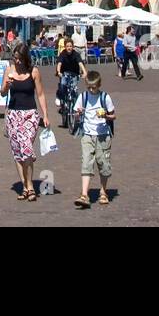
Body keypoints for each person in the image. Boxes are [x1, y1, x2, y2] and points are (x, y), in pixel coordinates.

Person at [0, 45, 49, 201]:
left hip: (30, 115)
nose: (17, 61)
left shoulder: (33, 71)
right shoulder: (9, 71)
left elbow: (40, 94)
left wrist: (45, 115)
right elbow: (2, 92)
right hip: (13, 114)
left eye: (20, 58)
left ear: (26, 57)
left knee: (26, 147)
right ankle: (26, 187)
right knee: (18, 152)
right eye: (15, 57)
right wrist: (7, 86)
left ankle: (30, 186)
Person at [72, 70, 115, 208]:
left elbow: (113, 115)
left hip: (103, 135)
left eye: (94, 87)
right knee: (86, 161)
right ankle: (84, 195)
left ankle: (103, 191)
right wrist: (78, 113)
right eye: (89, 87)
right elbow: (76, 115)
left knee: (103, 163)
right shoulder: (83, 97)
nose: (91, 90)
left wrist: (105, 116)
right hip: (87, 134)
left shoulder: (105, 97)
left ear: (99, 84)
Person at [55, 37, 83, 122]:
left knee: (74, 90)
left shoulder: (76, 54)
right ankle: (60, 99)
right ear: (65, 47)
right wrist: (59, 71)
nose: (69, 48)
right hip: (64, 73)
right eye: (67, 46)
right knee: (63, 85)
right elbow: (59, 63)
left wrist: (84, 72)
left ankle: (76, 106)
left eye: (70, 46)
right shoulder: (63, 54)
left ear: (73, 47)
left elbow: (80, 63)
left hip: (74, 74)